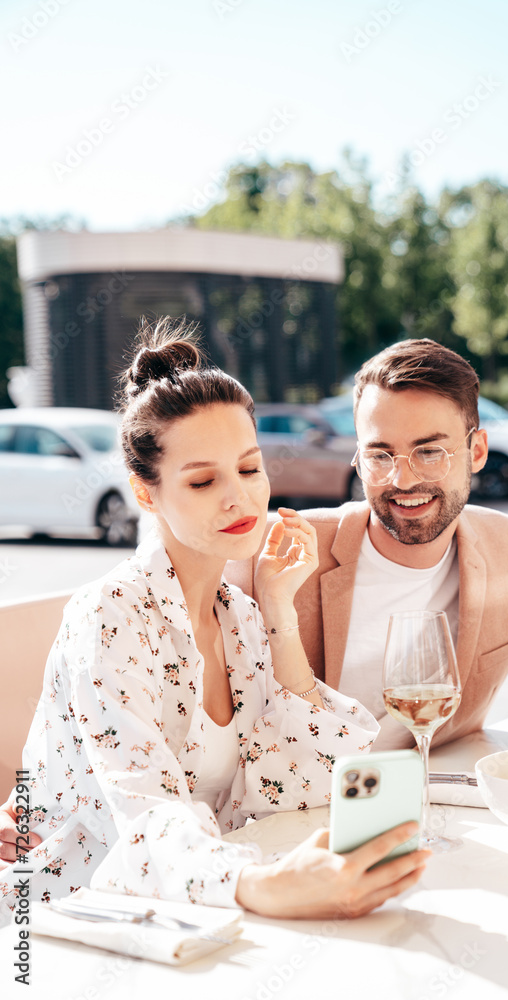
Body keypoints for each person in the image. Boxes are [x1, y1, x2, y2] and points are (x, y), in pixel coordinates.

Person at [0, 319, 429, 921]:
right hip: (76, 919)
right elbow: (143, 820)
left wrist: (279, 611)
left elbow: (302, 778)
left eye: (249, 469)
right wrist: (264, 885)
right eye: (203, 480)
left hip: (208, 909)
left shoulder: (243, 617)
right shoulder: (110, 615)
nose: (239, 497)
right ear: (145, 494)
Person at [225, 338, 508, 752]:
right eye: (381, 455)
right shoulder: (274, 554)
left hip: (441, 786)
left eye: (429, 452)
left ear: (477, 451)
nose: (403, 480)